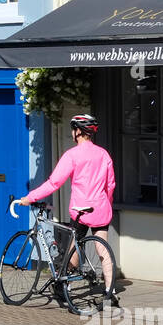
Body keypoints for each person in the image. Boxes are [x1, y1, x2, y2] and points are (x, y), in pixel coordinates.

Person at [17, 114, 119, 310]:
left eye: (73, 130)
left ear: (78, 132)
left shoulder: (72, 155)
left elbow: (54, 182)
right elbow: (110, 185)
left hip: (81, 210)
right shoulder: (104, 154)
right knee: (103, 249)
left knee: (74, 247)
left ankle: (66, 286)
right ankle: (110, 291)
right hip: (100, 208)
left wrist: (31, 197)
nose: (72, 133)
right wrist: (107, 203)